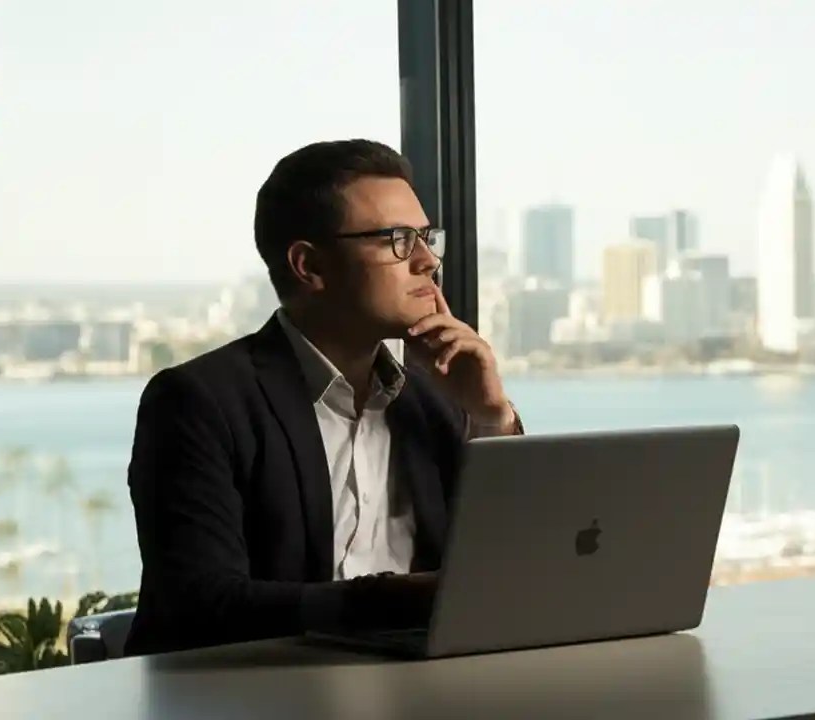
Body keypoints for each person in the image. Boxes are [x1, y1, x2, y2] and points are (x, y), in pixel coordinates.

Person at [124, 139, 522, 656]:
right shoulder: (199, 402)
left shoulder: (437, 401)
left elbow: (511, 570)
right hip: (254, 692)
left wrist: (489, 416)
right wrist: (392, 599)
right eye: (399, 240)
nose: (427, 261)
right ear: (309, 266)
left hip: (418, 686)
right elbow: (200, 601)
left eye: (427, 238)